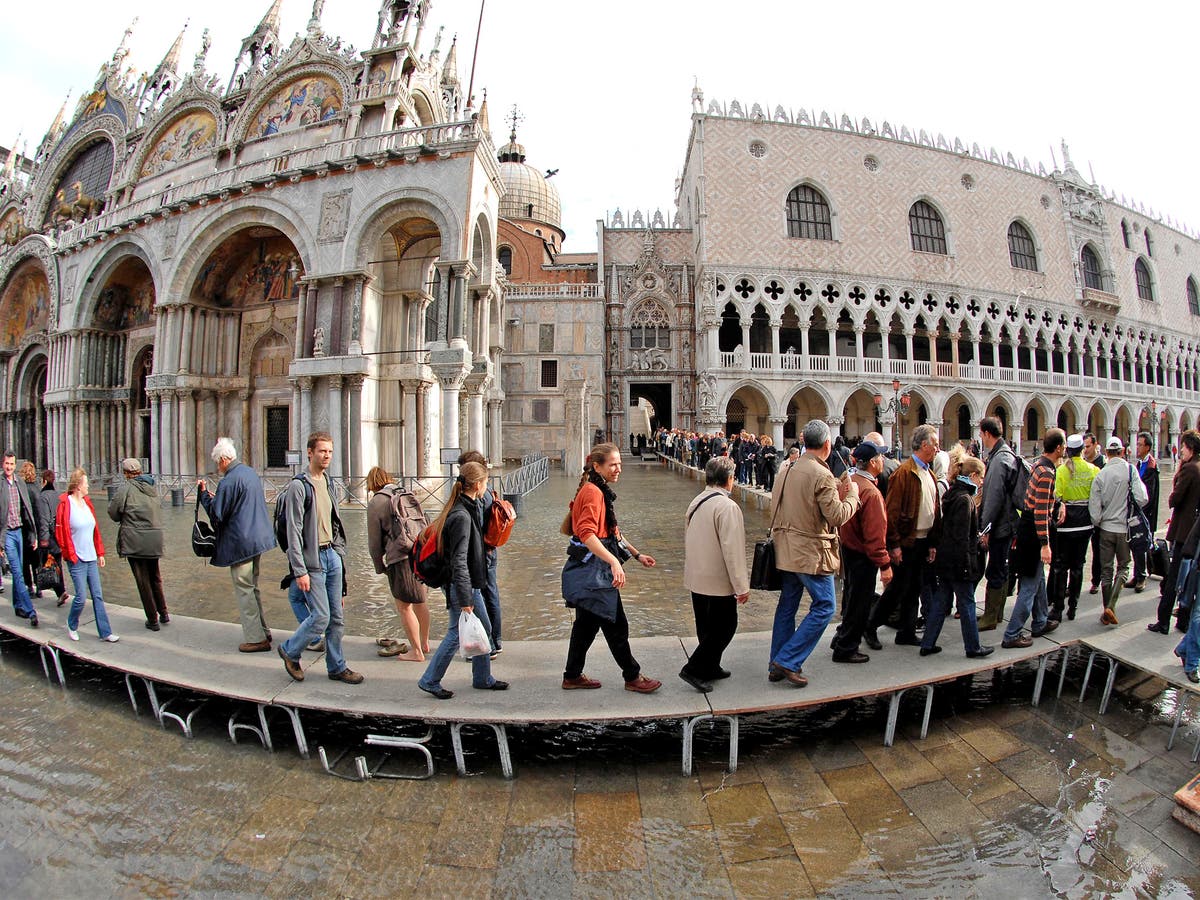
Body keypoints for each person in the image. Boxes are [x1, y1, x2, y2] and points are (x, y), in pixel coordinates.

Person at [559, 443, 661, 693]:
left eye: (619, 464)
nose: (618, 469)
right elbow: (586, 533)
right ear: (597, 466)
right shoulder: (593, 492)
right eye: (613, 465)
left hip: (590, 571)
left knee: (586, 626)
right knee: (616, 624)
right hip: (593, 573)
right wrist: (614, 561)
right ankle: (633, 677)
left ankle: (572, 676)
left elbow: (613, 532)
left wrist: (637, 555)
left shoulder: (597, 488)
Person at [768, 419, 860, 686]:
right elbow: (837, 515)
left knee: (788, 605)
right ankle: (787, 659)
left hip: (784, 548)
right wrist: (852, 495)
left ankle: (776, 663)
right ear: (828, 444)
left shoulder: (787, 467)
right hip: (810, 551)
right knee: (825, 606)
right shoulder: (822, 474)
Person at [277, 432, 363, 685]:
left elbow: (334, 521)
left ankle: (337, 666)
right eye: (322, 451)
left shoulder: (328, 482)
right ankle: (290, 650)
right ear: (310, 453)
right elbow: (293, 531)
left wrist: (338, 552)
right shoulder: (298, 486)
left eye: (330, 452)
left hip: (331, 555)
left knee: (337, 618)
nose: (327, 456)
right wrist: (299, 570)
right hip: (312, 560)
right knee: (321, 616)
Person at [417, 461, 508, 699]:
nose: (487, 487)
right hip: (462, 585)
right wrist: (466, 598)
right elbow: (459, 560)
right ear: (478, 484)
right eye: (486, 482)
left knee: (484, 628)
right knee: (456, 634)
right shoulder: (461, 516)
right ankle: (430, 679)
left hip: (468, 584)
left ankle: (482, 678)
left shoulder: (467, 507)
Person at [199, 438, 278, 653]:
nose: (218, 467)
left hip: (241, 542)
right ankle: (263, 630)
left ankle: (256, 639)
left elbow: (217, 516)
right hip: (257, 539)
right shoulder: (249, 473)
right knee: (253, 587)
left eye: (218, 462)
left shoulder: (229, 480)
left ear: (224, 459)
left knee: (244, 588)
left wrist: (204, 496)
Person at [680, 456, 750, 692]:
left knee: (706, 627)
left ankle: (711, 666)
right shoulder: (728, 507)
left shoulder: (697, 500)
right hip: (717, 580)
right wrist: (741, 586)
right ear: (729, 479)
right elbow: (734, 550)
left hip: (697, 575)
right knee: (725, 627)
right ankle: (694, 668)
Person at [867, 424, 940, 649]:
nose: (938, 448)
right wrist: (894, 545)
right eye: (935, 444)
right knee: (898, 588)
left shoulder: (930, 473)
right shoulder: (904, 473)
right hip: (906, 542)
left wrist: (932, 543)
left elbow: (934, 510)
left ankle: (906, 632)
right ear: (924, 445)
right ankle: (870, 626)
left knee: (915, 588)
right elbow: (892, 512)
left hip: (922, 540)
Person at [922, 452, 993, 658]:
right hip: (958, 561)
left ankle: (928, 643)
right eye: (980, 477)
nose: (981, 481)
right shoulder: (965, 499)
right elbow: (962, 537)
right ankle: (973, 647)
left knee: (941, 601)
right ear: (972, 476)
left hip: (947, 559)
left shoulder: (953, 494)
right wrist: (967, 564)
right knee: (967, 603)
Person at [1002, 428, 1064, 648]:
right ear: (1058, 448)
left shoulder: (1039, 464)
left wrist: (1058, 503)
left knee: (1037, 578)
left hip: (1027, 528)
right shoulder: (1047, 472)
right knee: (1029, 584)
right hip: (1033, 531)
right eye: (1063, 445)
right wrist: (1045, 544)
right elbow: (1039, 510)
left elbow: (1040, 498)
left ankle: (1040, 622)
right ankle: (1012, 633)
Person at [831, 440, 892, 663]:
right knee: (860, 603)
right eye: (881, 457)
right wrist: (884, 564)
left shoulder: (849, 482)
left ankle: (840, 638)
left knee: (852, 598)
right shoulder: (871, 493)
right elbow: (875, 535)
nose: (883, 460)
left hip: (848, 549)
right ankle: (846, 648)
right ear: (873, 462)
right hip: (863, 555)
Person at [365, 465, 427, 661]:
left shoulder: (377, 502)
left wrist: (378, 565)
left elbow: (375, 541)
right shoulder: (404, 493)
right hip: (418, 552)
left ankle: (416, 651)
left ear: (371, 484)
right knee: (420, 601)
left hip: (399, 557)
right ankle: (424, 643)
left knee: (404, 606)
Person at [1088, 436, 1148, 626]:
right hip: (1124, 530)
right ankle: (1111, 607)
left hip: (1106, 528)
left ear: (1106, 452)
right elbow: (1142, 497)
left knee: (1106, 570)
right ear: (1122, 451)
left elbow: (1094, 511)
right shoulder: (1130, 470)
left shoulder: (1101, 475)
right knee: (1123, 567)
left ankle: (1107, 609)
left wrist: (1101, 520)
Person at [55, 469, 117, 642]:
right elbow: (60, 533)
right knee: (81, 597)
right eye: (86, 483)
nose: (88, 485)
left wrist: (100, 553)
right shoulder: (65, 504)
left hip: (91, 556)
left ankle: (105, 632)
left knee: (97, 595)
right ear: (78, 486)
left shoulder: (88, 503)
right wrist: (69, 554)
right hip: (76, 559)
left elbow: (95, 530)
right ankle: (72, 624)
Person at [108, 458, 168, 631]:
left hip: (135, 539)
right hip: (155, 538)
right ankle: (164, 613)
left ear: (126, 473)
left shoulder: (126, 488)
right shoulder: (151, 487)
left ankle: (152, 619)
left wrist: (125, 518)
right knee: (155, 577)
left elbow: (113, 512)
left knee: (143, 581)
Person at [1151, 430, 1200, 634]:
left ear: (1190, 449)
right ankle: (1183, 620)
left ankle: (1163, 621)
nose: (1180, 451)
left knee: (1174, 577)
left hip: (1183, 532)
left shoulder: (1189, 469)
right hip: (1194, 531)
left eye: (1183, 448)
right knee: (1190, 578)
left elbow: (1174, 499)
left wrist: (1177, 477)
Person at [1048, 434, 1098, 622]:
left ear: (1067, 450)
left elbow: (1056, 496)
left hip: (1065, 524)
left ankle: (1058, 608)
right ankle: (1073, 608)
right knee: (1078, 566)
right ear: (1082, 450)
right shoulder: (1093, 470)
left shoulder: (1061, 470)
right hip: (1084, 523)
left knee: (1061, 566)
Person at [458, 450, 503, 656]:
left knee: (483, 596)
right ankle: (495, 641)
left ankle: (490, 643)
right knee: (490, 594)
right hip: (489, 550)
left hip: (482, 552)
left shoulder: (479, 496)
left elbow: (476, 528)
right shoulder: (487, 491)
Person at [977, 417, 1020, 631]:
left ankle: (991, 617)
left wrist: (984, 528)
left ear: (986, 433)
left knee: (995, 569)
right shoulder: (1006, 455)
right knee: (1001, 567)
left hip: (1000, 525)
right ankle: (997, 613)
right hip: (1007, 522)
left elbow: (993, 497)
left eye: (981, 434)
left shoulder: (998, 460)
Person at [0, 451, 38, 626]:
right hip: (6, 533)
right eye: (7, 464)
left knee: (18, 573)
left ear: (15, 466)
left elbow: (28, 510)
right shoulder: (0, 485)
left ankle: (17, 606)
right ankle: (30, 611)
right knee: (17, 571)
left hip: (19, 532)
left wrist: (34, 534)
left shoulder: (20, 483)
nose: (9, 467)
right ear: (3, 464)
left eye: (12, 464)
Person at [1128, 431, 1160, 592]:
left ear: (1147, 447)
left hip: (1145, 513)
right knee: (1136, 544)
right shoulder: (1140, 464)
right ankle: (1138, 574)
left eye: (1140, 444)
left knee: (1142, 545)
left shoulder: (1151, 466)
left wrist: (1140, 509)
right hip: (1138, 511)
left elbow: (1149, 494)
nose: (1137, 447)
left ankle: (1142, 577)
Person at [35, 469, 69, 608]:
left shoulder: (43, 497)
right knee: (58, 564)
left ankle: (59, 591)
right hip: (59, 536)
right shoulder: (58, 495)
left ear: (43, 481)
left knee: (48, 566)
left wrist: (43, 540)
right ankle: (62, 591)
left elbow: (44, 520)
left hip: (49, 538)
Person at [1081, 431, 1107, 595]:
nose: (1085, 449)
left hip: (1098, 513)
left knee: (1097, 549)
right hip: (1084, 513)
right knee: (1081, 550)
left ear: (1096, 446)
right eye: (1084, 446)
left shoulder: (1102, 463)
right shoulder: (1083, 462)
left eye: (1088, 446)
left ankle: (1096, 581)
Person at [19, 461, 40, 599]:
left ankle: (29, 587)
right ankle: (39, 586)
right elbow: (39, 510)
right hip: (36, 527)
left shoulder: (21, 489)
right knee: (36, 560)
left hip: (24, 528)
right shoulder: (37, 488)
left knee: (25, 560)